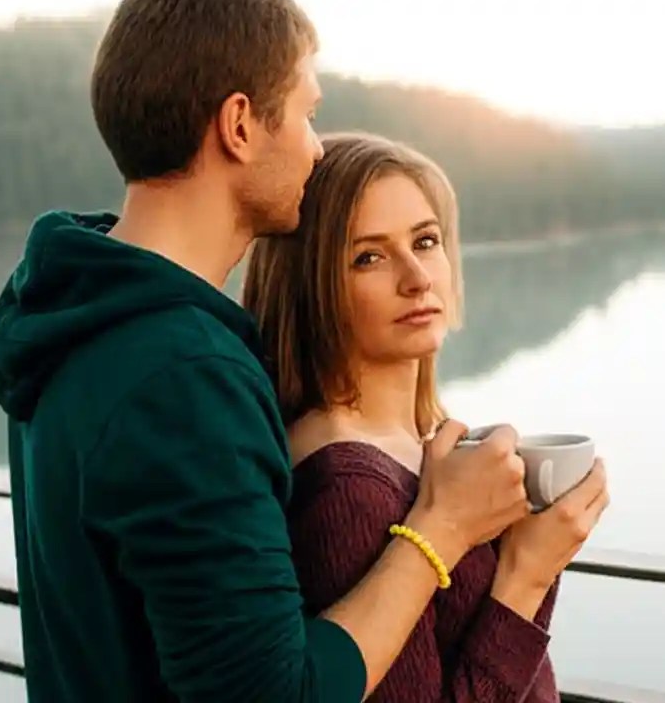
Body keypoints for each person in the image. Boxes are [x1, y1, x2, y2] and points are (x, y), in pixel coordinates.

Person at [0, 0, 530, 701]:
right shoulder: (181, 374)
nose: (314, 147)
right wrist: (442, 528)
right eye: (307, 114)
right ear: (239, 124)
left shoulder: (72, 309)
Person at [241, 131, 611, 701]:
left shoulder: (424, 444)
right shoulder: (348, 487)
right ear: (310, 287)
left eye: (427, 240)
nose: (417, 277)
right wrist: (526, 576)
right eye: (369, 256)